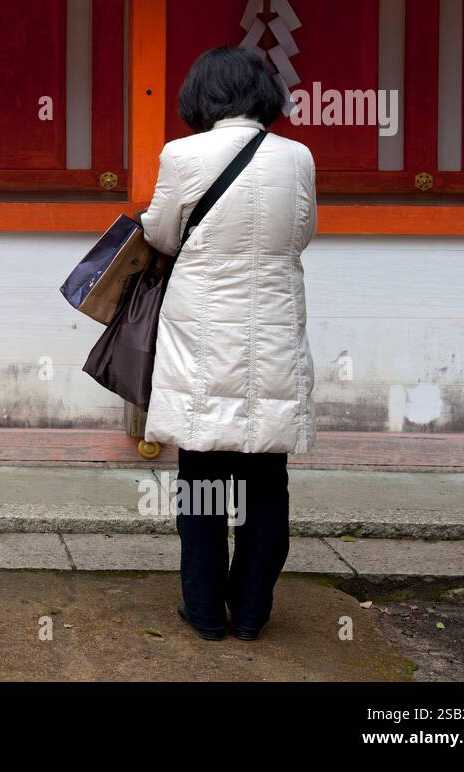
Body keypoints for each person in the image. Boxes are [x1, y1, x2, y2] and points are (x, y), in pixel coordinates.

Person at [138, 46, 317, 641]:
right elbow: (304, 233)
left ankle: (205, 611)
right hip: (273, 329)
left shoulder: (182, 154)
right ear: (263, 92)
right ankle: (250, 614)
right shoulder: (298, 158)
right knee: (267, 479)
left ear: (201, 96)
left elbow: (161, 234)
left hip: (202, 331)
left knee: (203, 473)